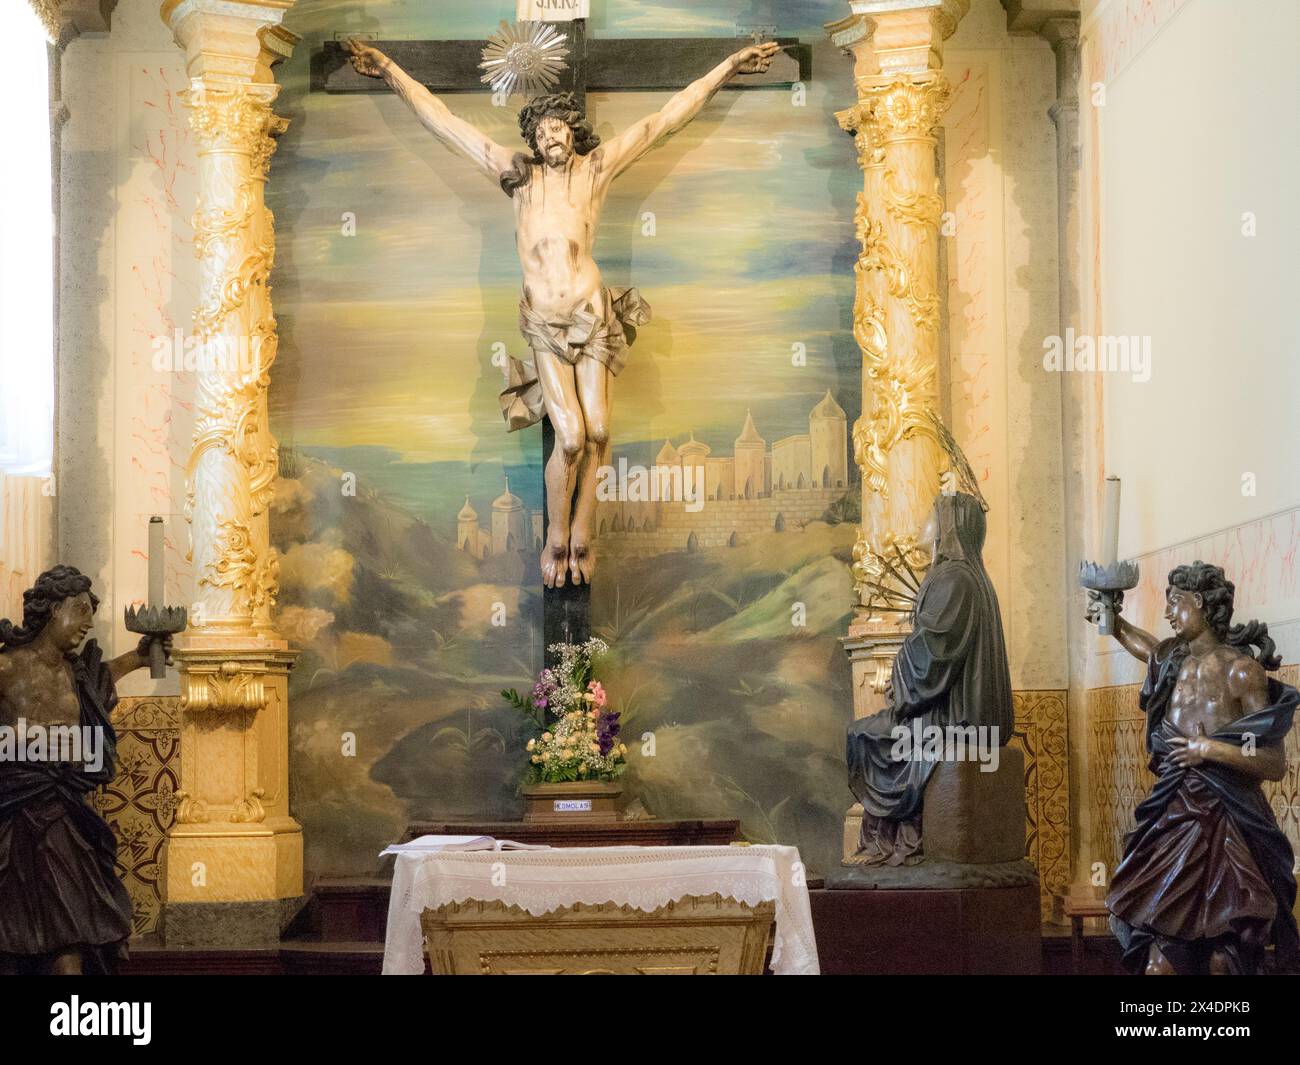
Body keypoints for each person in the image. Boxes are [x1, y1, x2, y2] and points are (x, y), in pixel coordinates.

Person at [344, 37, 779, 588]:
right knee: (570, 437)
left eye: (559, 128)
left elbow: (663, 120)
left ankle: (582, 532)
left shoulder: (595, 172)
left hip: (592, 316)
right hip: (546, 325)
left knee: (599, 430)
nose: (551, 137)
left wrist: (730, 67)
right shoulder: (519, 179)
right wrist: (388, 70)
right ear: (532, 138)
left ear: (573, 131)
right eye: (542, 131)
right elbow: (446, 124)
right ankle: (556, 536)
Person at [1088, 560, 1300, 974]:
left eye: (1175, 602)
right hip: (1174, 817)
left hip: (1230, 821)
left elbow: (1272, 761)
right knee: (1159, 967)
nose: (1168, 612)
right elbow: (1145, 646)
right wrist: (1111, 617)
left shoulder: (1241, 672)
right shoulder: (1172, 662)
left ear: (1199, 602)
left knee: (1223, 961)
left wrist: (1210, 749)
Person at [0, 566, 172, 974]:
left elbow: (101, 681)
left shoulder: (75, 673)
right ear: (53, 609)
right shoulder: (6, 667)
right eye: (79, 610)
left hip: (65, 811)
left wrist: (138, 658)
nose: (87, 623)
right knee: (15, 934)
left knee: (71, 928)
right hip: (14, 811)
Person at [847, 492, 1014, 864]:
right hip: (958, 713)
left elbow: (933, 655)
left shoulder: (954, 578)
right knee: (870, 732)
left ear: (947, 528)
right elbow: (934, 648)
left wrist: (900, 672)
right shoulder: (966, 576)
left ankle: (894, 843)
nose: (924, 523)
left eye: (931, 517)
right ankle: (888, 841)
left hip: (956, 721)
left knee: (865, 736)